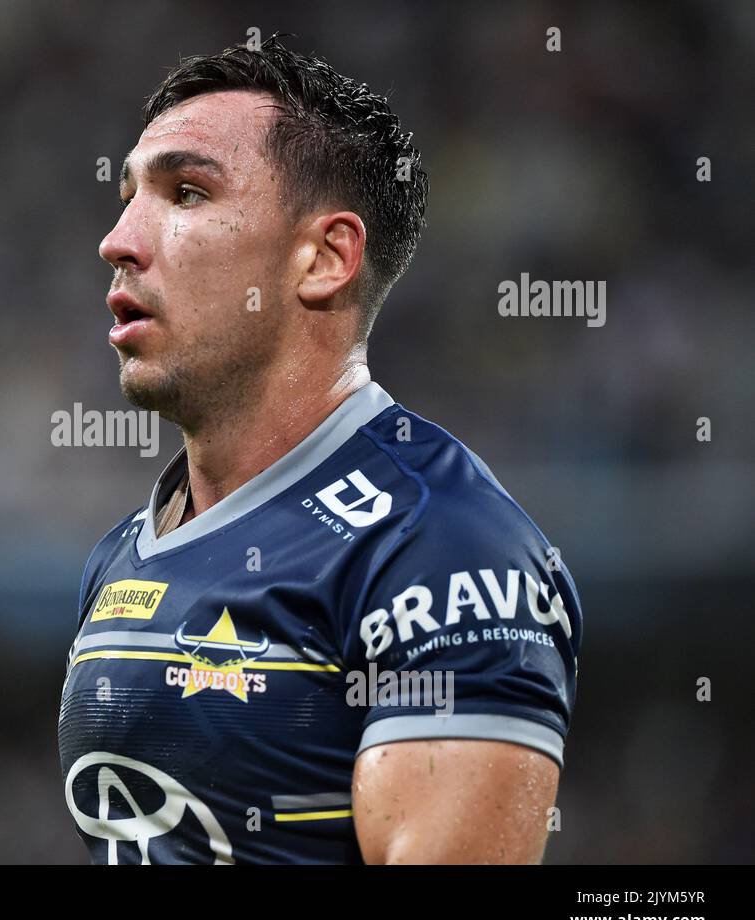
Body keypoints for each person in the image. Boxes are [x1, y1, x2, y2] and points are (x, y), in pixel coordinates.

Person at [58, 34, 581, 864]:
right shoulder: (122, 556)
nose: (118, 239)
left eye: (185, 193)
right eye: (126, 197)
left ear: (325, 257)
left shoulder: (440, 550)